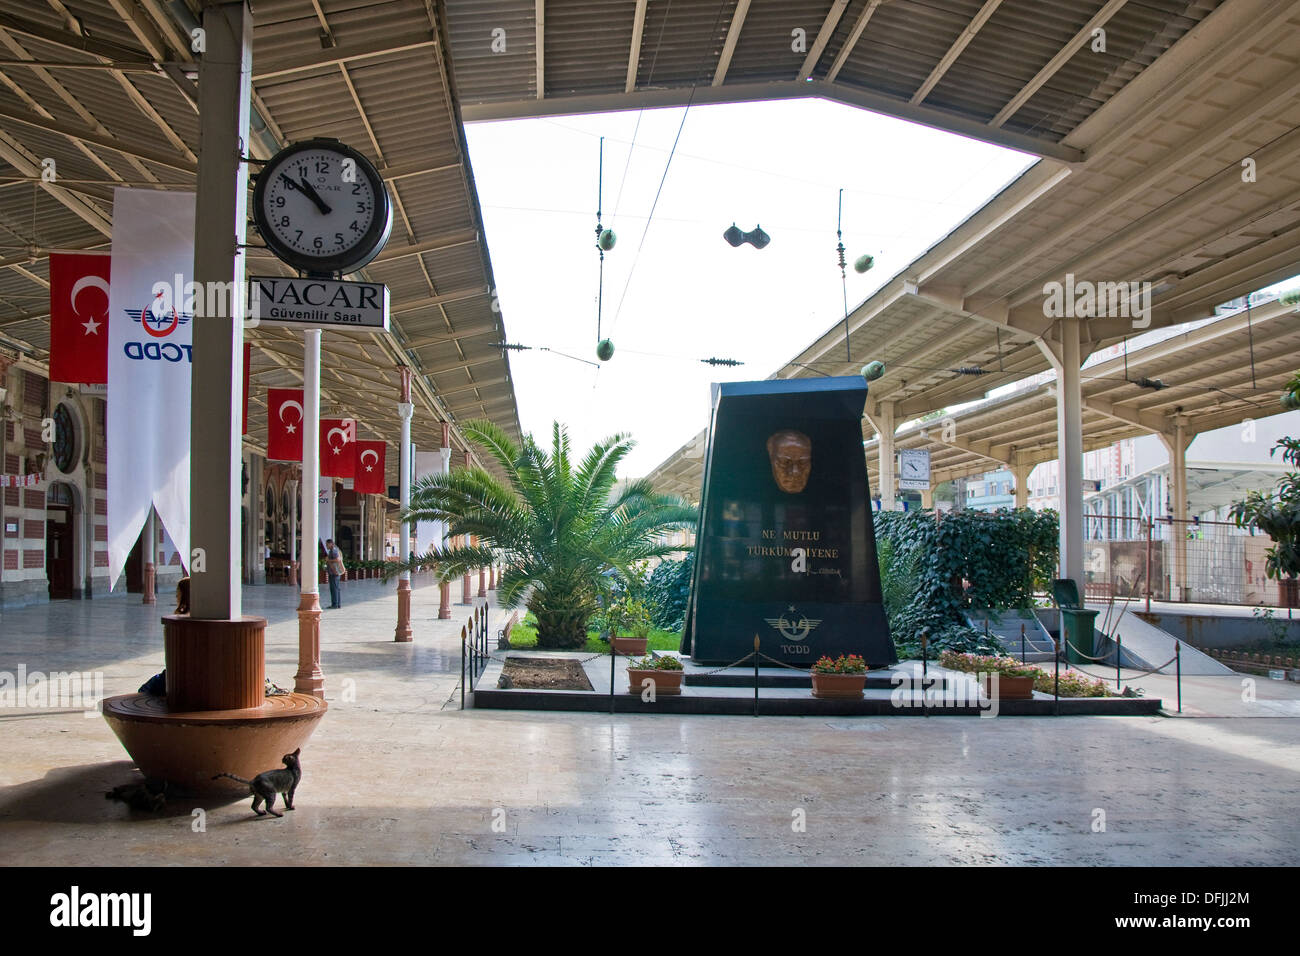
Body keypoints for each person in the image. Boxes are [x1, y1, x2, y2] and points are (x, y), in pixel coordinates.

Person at [324, 538, 346, 609]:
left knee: (334, 589)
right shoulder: (334, 549)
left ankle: (335, 604)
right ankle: (337, 604)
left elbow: (338, 559)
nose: (326, 546)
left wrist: (328, 560)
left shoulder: (334, 550)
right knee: (336, 588)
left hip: (334, 572)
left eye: (327, 544)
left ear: (331, 544)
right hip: (334, 572)